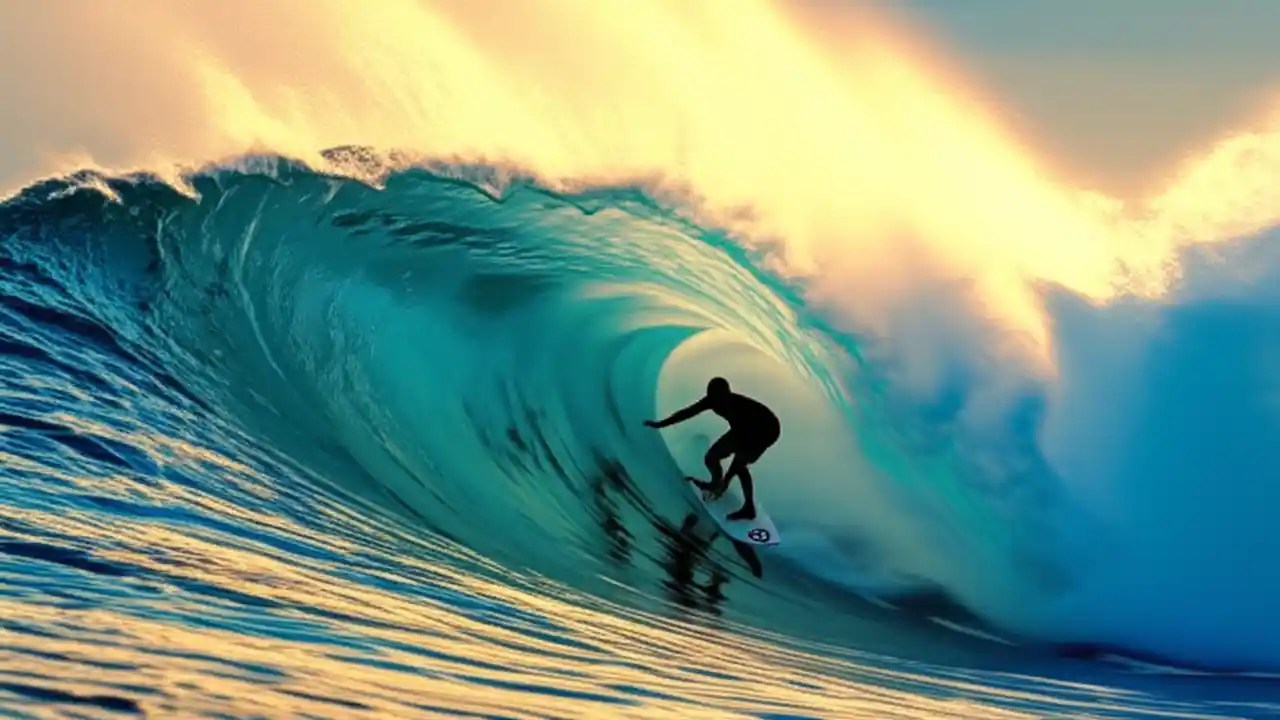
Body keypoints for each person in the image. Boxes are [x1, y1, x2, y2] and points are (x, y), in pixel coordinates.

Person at [644, 377, 780, 521]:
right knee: (711, 458)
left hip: (766, 430)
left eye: (722, 398)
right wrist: (660, 424)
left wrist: (727, 480)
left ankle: (748, 508)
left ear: (728, 394)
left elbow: (741, 450)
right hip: (742, 429)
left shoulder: (740, 406)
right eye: (715, 398)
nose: (720, 402)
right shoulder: (711, 401)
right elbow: (686, 413)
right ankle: (715, 483)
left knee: (740, 465)